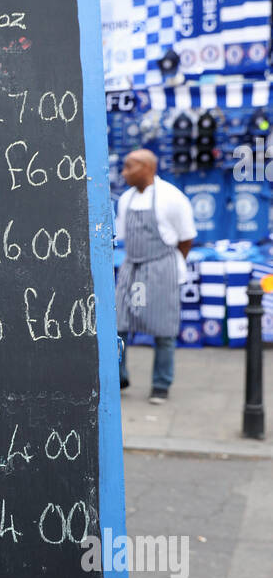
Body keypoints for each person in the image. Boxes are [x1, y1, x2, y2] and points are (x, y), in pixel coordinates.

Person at [115, 148, 196, 403]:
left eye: (129, 167)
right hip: (132, 267)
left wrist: (169, 266)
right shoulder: (125, 199)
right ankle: (119, 376)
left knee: (164, 330)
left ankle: (161, 384)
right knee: (118, 325)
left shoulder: (173, 198)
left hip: (162, 268)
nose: (124, 172)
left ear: (147, 168)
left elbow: (186, 238)